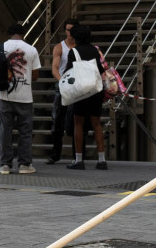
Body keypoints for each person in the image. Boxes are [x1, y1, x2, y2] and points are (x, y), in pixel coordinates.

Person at [0, 22, 40, 175]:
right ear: (23, 34)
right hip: (25, 98)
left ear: (9, 34)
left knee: (5, 131)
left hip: (5, 96)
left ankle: (5, 165)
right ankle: (24, 165)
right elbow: (35, 76)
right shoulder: (31, 49)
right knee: (25, 132)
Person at [65, 23, 110, 170]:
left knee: (79, 123)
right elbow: (100, 69)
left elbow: (68, 73)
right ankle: (101, 159)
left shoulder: (73, 52)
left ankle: (79, 160)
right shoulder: (94, 50)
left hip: (81, 92)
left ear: (76, 36)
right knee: (96, 123)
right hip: (95, 90)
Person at [46, 19, 77, 164]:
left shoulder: (80, 46)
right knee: (57, 120)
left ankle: (76, 155)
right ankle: (55, 154)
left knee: (75, 121)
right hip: (63, 86)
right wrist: (61, 82)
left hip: (78, 86)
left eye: (71, 30)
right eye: (67, 30)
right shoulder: (60, 47)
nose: (69, 33)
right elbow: (55, 68)